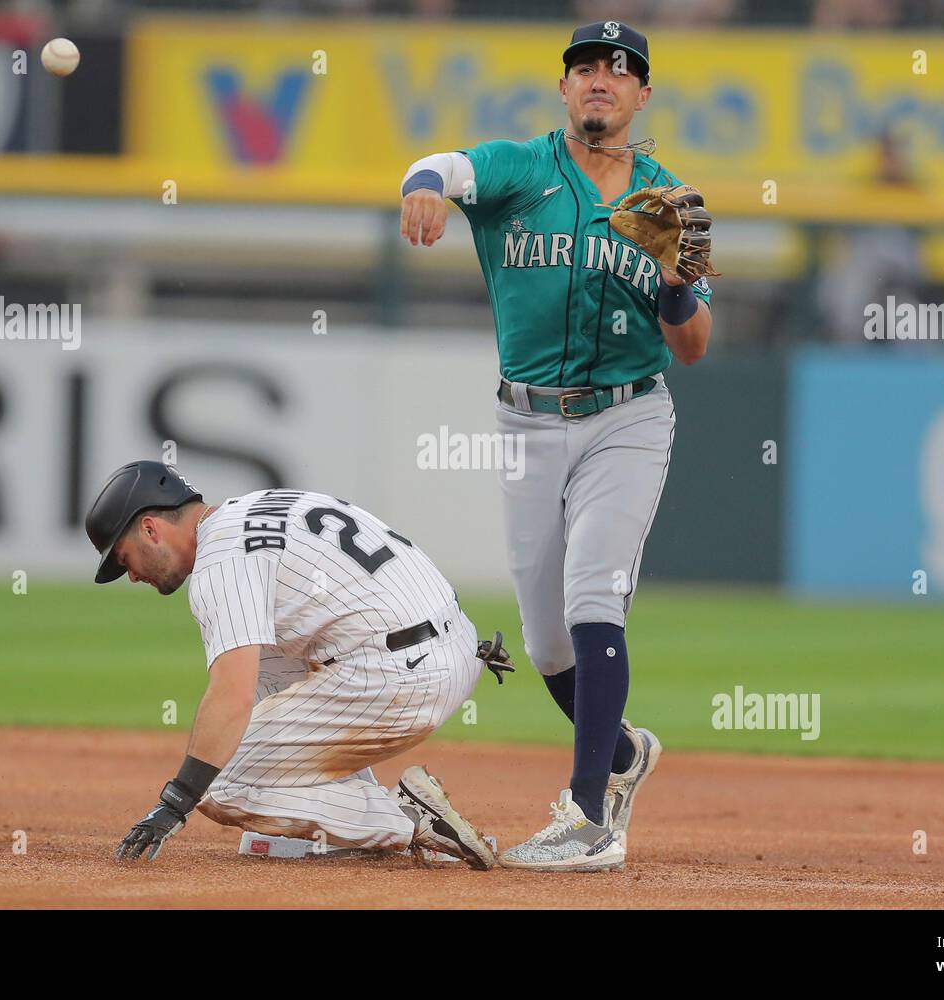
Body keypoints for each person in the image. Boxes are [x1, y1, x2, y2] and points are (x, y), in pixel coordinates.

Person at [397, 20, 714, 871]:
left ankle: (588, 818)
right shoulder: (519, 169)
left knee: (593, 594)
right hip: (528, 421)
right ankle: (620, 755)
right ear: (565, 87)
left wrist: (678, 285)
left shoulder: (665, 199)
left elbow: (692, 347)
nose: (601, 78)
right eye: (586, 66)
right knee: (544, 647)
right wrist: (422, 187)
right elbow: (443, 167)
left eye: (621, 69)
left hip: (628, 417)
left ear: (643, 94)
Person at [86, 460, 506, 869]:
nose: (133, 576)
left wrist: (176, 801)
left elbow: (228, 696)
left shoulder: (221, 561)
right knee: (267, 658)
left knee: (221, 785)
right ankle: (338, 801)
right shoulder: (263, 505)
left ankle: (407, 818)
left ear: (149, 528)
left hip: (399, 676)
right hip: (454, 645)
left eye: (124, 559)